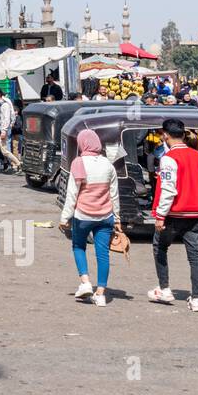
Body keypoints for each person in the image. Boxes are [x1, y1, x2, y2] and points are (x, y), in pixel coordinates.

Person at [148, 118, 198, 312]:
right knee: (195, 256)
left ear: (165, 135)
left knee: (160, 248)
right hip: (196, 212)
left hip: (174, 213)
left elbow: (168, 189)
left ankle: (164, 288)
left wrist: (160, 215)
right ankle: (197, 297)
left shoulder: (168, 158)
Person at [58, 129, 121, 307]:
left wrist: (64, 218)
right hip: (105, 216)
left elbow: (72, 193)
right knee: (103, 255)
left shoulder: (78, 163)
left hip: (83, 215)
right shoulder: (108, 164)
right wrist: (117, 218)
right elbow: (114, 194)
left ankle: (85, 282)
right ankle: (100, 293)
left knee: (78, 246)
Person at [0, 88, 22, 175]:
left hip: (2, 130)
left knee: (4, 151)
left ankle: (18, 163)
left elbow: (6, 118)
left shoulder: (5, 105)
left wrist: (4, 130)